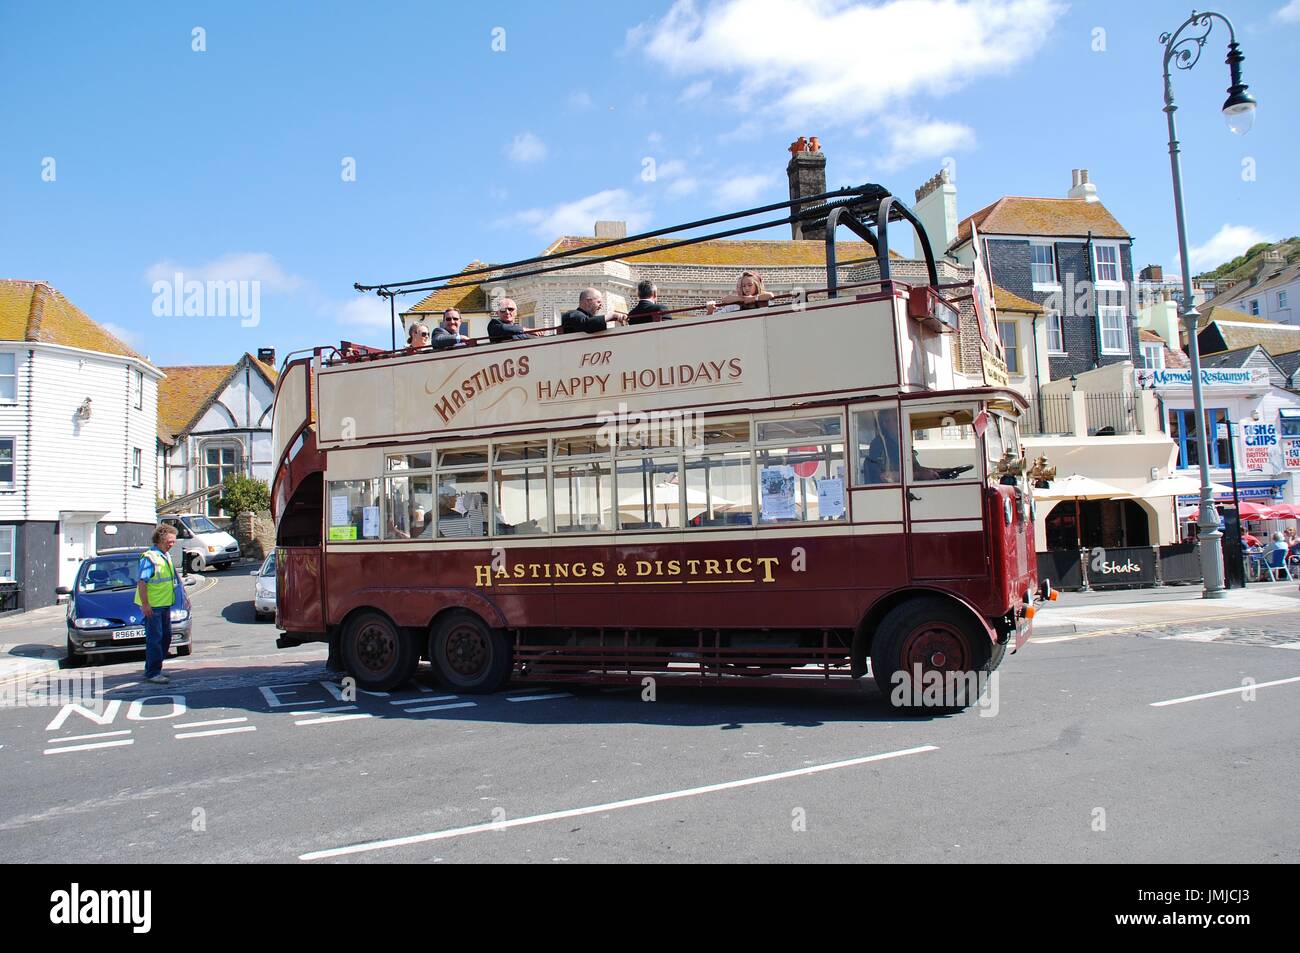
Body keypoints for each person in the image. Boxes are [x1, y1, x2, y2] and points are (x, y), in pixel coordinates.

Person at [136, 523, 181, 684]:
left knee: (166, 638)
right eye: (170, 541)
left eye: (173, 541)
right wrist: (145, 604)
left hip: (164, 604)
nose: (172, 544)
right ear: (161, 539)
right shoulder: (150, 558)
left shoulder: (164, 555)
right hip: (153, 606)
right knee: (155, 639)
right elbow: (142, 582)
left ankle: (156, 668)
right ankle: (153, 672)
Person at [561, 288, 627, 334]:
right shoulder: (572, 315)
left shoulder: (586, 317)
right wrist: (612, 315)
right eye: (598, 302)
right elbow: (587, 324)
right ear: (588, 301)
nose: (601, 306)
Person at [706, 270, 774, 315]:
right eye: (743, 286)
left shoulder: (765, 301)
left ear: (756, 285)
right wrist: (743, 299)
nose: (746, 288)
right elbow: (725, 299)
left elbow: (770, 295)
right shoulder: (735, 304)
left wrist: (754, 298)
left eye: (750, 285)